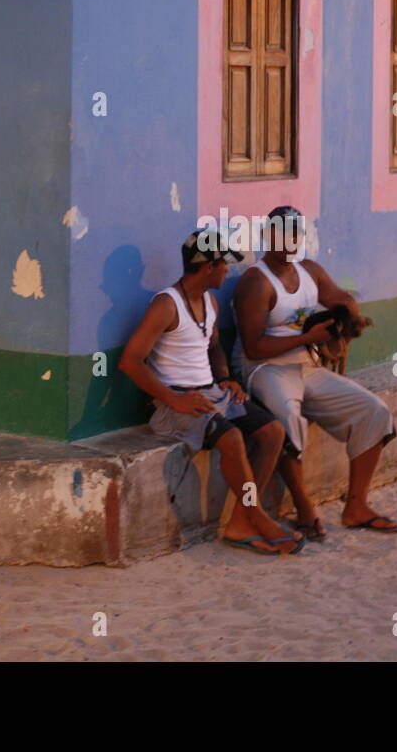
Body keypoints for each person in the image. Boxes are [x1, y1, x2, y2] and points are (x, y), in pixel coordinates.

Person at [119, 229, 302, 556]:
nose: (226, 271)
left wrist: (225, 377)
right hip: (176, 403)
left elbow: (214, 345)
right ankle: (256, 515)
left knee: (272, 432)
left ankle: (240, 521)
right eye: (222, 266)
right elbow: (129, 362)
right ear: (206, 268)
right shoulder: (166, 304)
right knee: (231, 439)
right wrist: (173, 398)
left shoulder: (210, 301)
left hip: (211, 393)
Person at [233, 205, 397, 541]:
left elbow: (340, 298)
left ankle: (356, 507)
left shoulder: (309, 270)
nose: (291, 240)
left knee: (373, 410)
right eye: (283, 233)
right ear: (268, 236)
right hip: (265, 368)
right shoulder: (256, 282)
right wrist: (309, 337)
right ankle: (304, 508)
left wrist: (345, 326)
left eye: (297, 233)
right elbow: (253, 348)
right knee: (287, 417)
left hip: (306, 366)